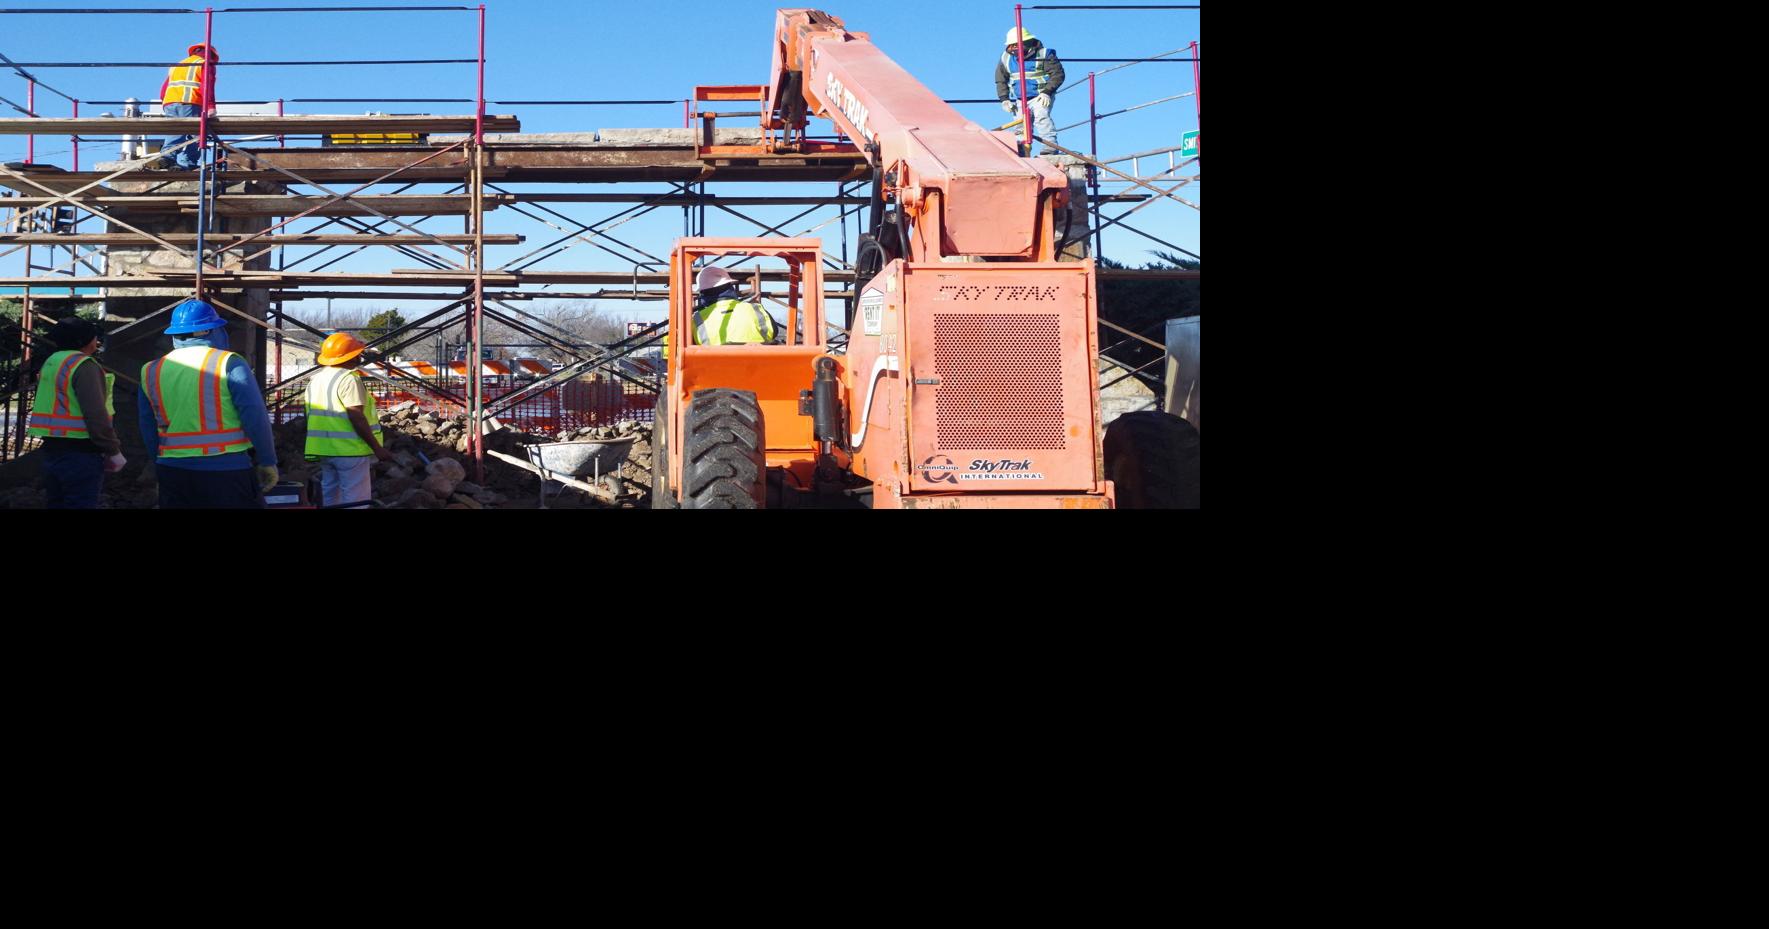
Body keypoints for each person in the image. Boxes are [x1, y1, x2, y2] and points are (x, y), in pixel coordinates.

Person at [136, 298, 279, 508]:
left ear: (175, 334)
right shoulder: (228, 363)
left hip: (173, 471)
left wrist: (159, 464)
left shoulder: (150, 370)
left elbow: (147, 426)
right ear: (212, 330)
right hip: (225, 472)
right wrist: (267, 460)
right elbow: (254, 416)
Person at [26, 317, 124, 509]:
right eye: (95, 337)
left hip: (52, 450)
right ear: (85, 340)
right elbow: (95, 414)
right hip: (80, 453)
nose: (97, 341)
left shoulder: (52, 362)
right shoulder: (83, 365)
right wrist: (113, 450)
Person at [303, 332, 394, 508]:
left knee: (331, 497)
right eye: (357, 353)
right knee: (356, 501)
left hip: (324, 450)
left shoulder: (316, 380)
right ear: (350, 356)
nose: (360, 356)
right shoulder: (349, 379)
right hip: (350, 451)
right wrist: (377, 448)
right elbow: (356, 416)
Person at [995, 27, 1065, 152]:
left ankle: (1050, 146)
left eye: (1017, 45)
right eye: (1012, 45)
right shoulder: (1006, 58)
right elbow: (1001, 79)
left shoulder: (1044, 54)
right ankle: (1021, 149)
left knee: (1041, 117)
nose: (1014, 48)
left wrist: (1047, 92)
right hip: (1020, 98)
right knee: (1020, 124)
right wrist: (1004, 99)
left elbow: (1058, 75)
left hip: (1040, 96)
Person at [157, 43, 219, 170]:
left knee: (176, 129)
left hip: (170, 102)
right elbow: (207, 86)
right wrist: (210, 106)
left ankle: (168, 156)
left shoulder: (178, 65)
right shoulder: (205, 63)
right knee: (197, 133)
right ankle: (187, 162)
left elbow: (164, 89)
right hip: (190, 101)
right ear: (211, 54)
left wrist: (166, 101)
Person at [690, 266, 780, 345]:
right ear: (730, 287)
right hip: (758, 363)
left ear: (703, 294)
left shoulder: (697, 319)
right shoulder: (755, 309)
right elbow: (774, 332)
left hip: (715, 364)